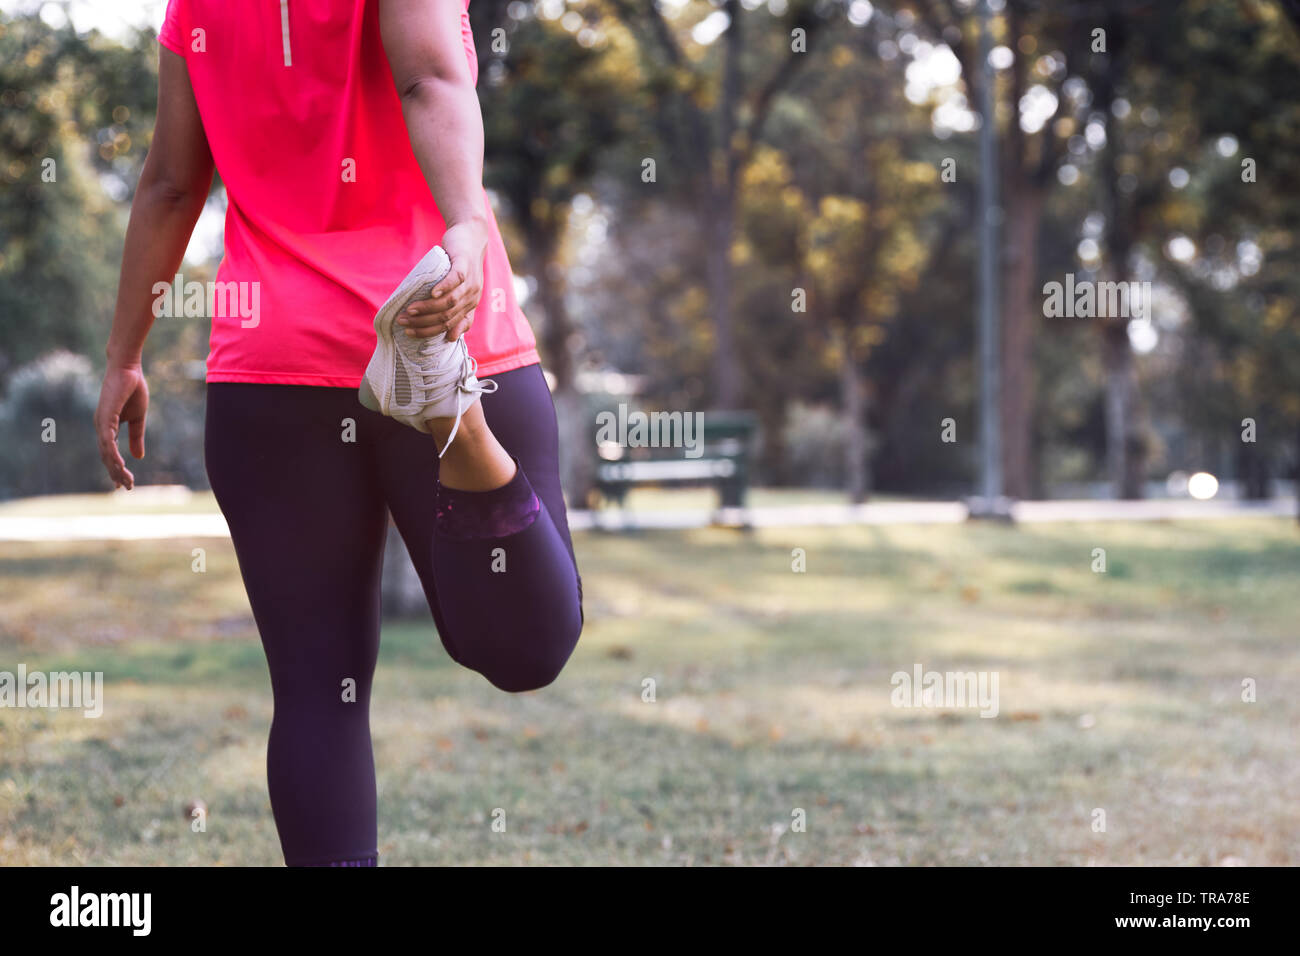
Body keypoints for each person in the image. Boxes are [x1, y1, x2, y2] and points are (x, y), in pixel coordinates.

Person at [93, 0, 584, 867]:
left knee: (319, 693)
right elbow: (429, 73)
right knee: (528, 648)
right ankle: (456, 420)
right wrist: (467, 222)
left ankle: (450, 411)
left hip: (273, 366)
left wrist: (124, 357)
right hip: (438, 307)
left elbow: (172, 182)